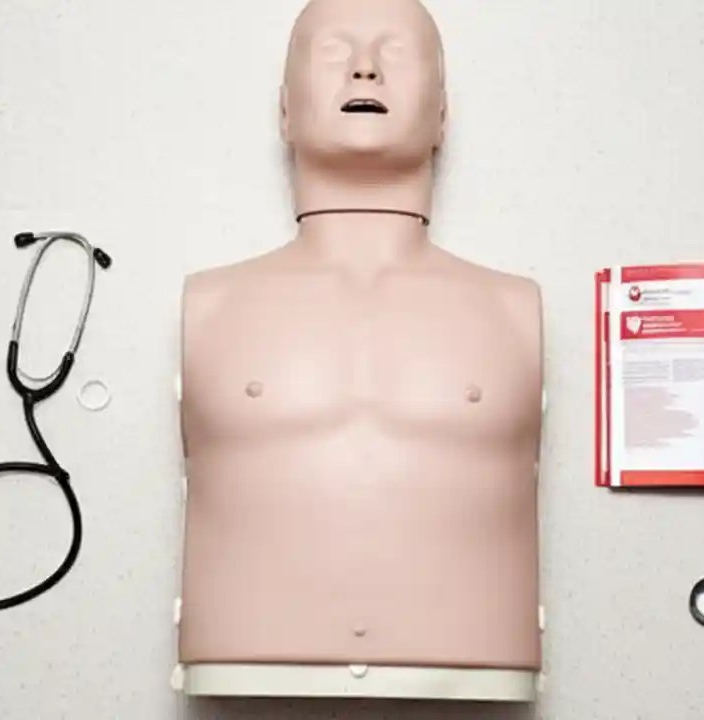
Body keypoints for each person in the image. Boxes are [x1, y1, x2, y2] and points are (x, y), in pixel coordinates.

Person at [175, 0, 545, 701]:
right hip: (240, 653)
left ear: (442, 116)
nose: (365, 66)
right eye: (334, 49)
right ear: (284, 112)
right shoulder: (211, 303)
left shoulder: (513, 307)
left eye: (396, 52)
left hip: (478, 662)